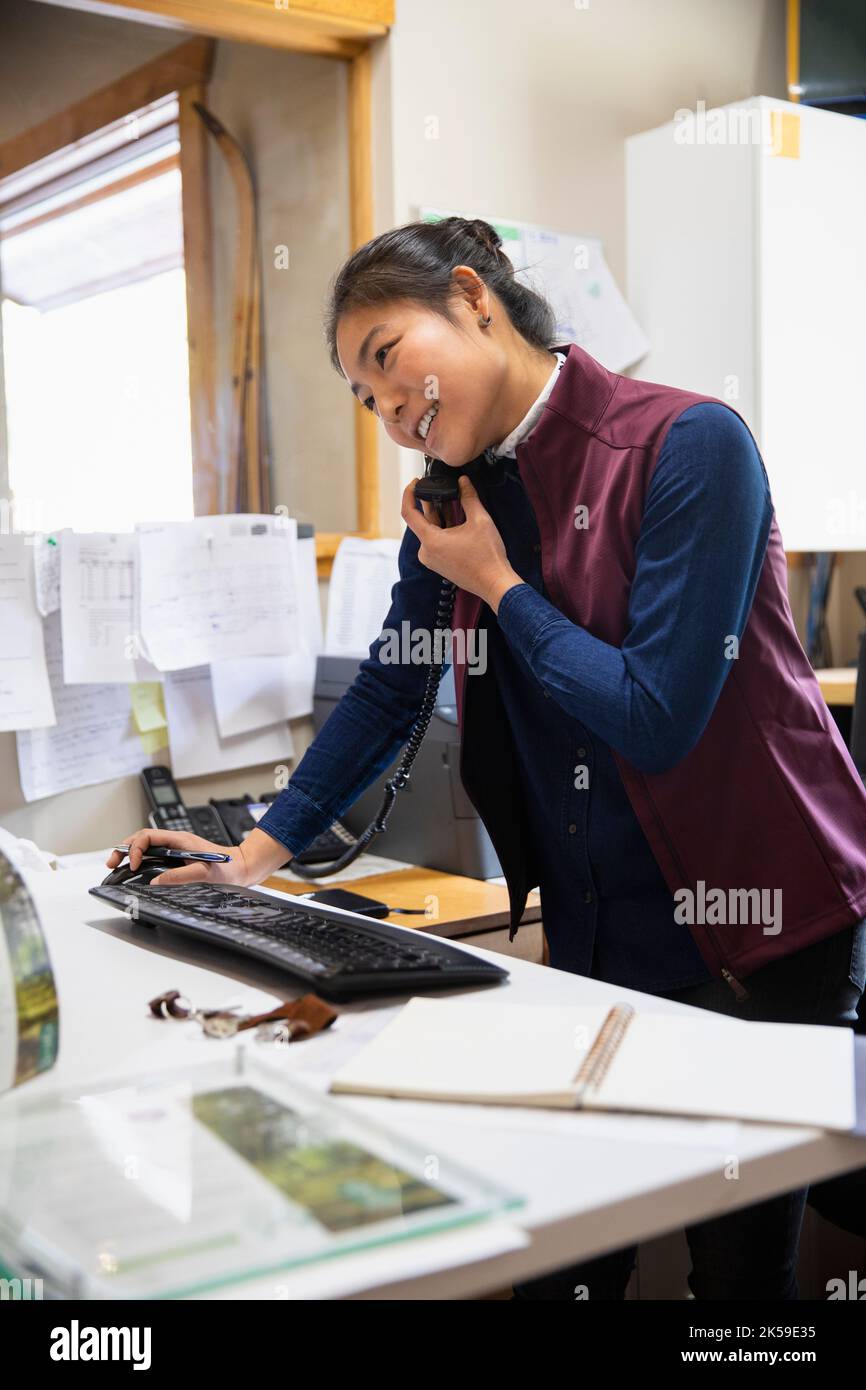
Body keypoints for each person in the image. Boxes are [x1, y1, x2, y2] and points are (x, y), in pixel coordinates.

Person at [109, 216, 866, 1298]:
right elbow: (391, 680)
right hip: (603, 929)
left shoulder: (688, 443)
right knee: (568, 1252)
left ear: (472, 299)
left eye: (386, 360)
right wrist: (253, 856)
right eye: (365, 401)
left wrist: (497, 582)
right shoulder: (456, 495)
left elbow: (653, 716)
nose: (388, 411)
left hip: (761, 926)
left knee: (733, 1277)